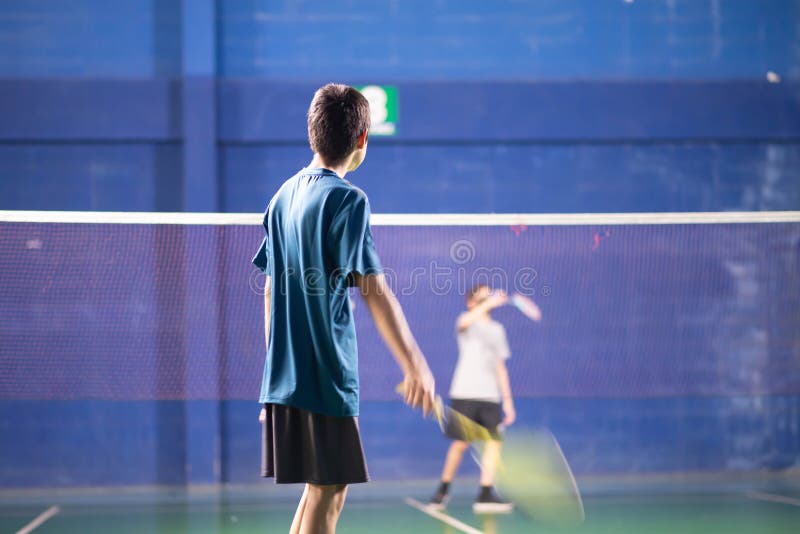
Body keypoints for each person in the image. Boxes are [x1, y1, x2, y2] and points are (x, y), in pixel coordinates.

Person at [252, 84, 436, 534]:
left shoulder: (281, 198)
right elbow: (373, 290)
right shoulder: (348, 199)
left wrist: (274, 376)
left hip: (286, 376)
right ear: (362, 140)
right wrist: (415, 365)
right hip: (325, 375)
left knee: (319, 490)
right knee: (330, 493)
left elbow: (271, 290)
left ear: (312, 135)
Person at [429, 285, 517, 513]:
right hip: (465, 392)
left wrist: (507, 402)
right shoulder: (466, 321)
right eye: (482, 296)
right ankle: (442, 491)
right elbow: (464, 323)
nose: (487, 298)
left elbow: (500, 368)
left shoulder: (497, 329)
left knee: (494, 443)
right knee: (461, 443)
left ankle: (485, 493)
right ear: (471, 301)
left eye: (489, 294)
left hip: (490, 396)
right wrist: (490, 302)